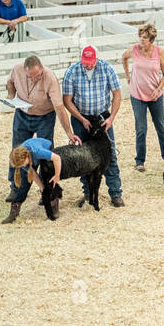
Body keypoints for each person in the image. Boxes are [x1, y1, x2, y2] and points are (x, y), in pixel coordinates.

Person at [3, 54, 80, 223]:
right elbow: (10, 83)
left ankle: (48, 192)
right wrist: (11, 95)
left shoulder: (50, 77)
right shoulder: (16, 69)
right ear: (25, 70)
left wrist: (69, 133)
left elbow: (59, 107)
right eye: (31, 76)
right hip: (22, 113)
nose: (34, 79)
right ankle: (15, 188)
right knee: (17, 153)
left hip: (45, 116)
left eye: (37, 75)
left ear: (41, 68)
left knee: (45, 158)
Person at [61, 44, 124, 208]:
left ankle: (115, 193)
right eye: (85, 62)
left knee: (109, 154)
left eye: (90, 61)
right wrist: (81, 119)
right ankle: (88, 193)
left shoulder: (106, 68)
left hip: (102, 116)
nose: (87, 64)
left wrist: (111, 118)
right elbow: (67, 100)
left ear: (96, 59)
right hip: (80, 116)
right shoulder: (72, 72)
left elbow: (117, 94)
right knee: (83, 156)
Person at [123, 24, 164, 173]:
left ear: (151, 39)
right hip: (137, 94)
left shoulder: (159, 52)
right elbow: (123, 58)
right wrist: (127, 75)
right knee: (141, 128)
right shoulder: (134, 49)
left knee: (161, 127)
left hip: (155, 95)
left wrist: (159, 88)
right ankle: (140, 161)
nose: (141, 40)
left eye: (144, 37)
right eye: (140, 37)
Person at [8, 138, 63, 220]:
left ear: (26, 157)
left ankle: (53, 203)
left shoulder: (37, 151)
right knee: (25, 183)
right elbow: (32, 174)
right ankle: (15, 208)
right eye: (21, 166)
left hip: (46, 148)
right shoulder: (23, 160)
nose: (23, 166)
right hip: (32, 157)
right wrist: (41, 187)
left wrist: (57, 176)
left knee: (47, 180)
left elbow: (57, 158)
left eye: (23, 164)